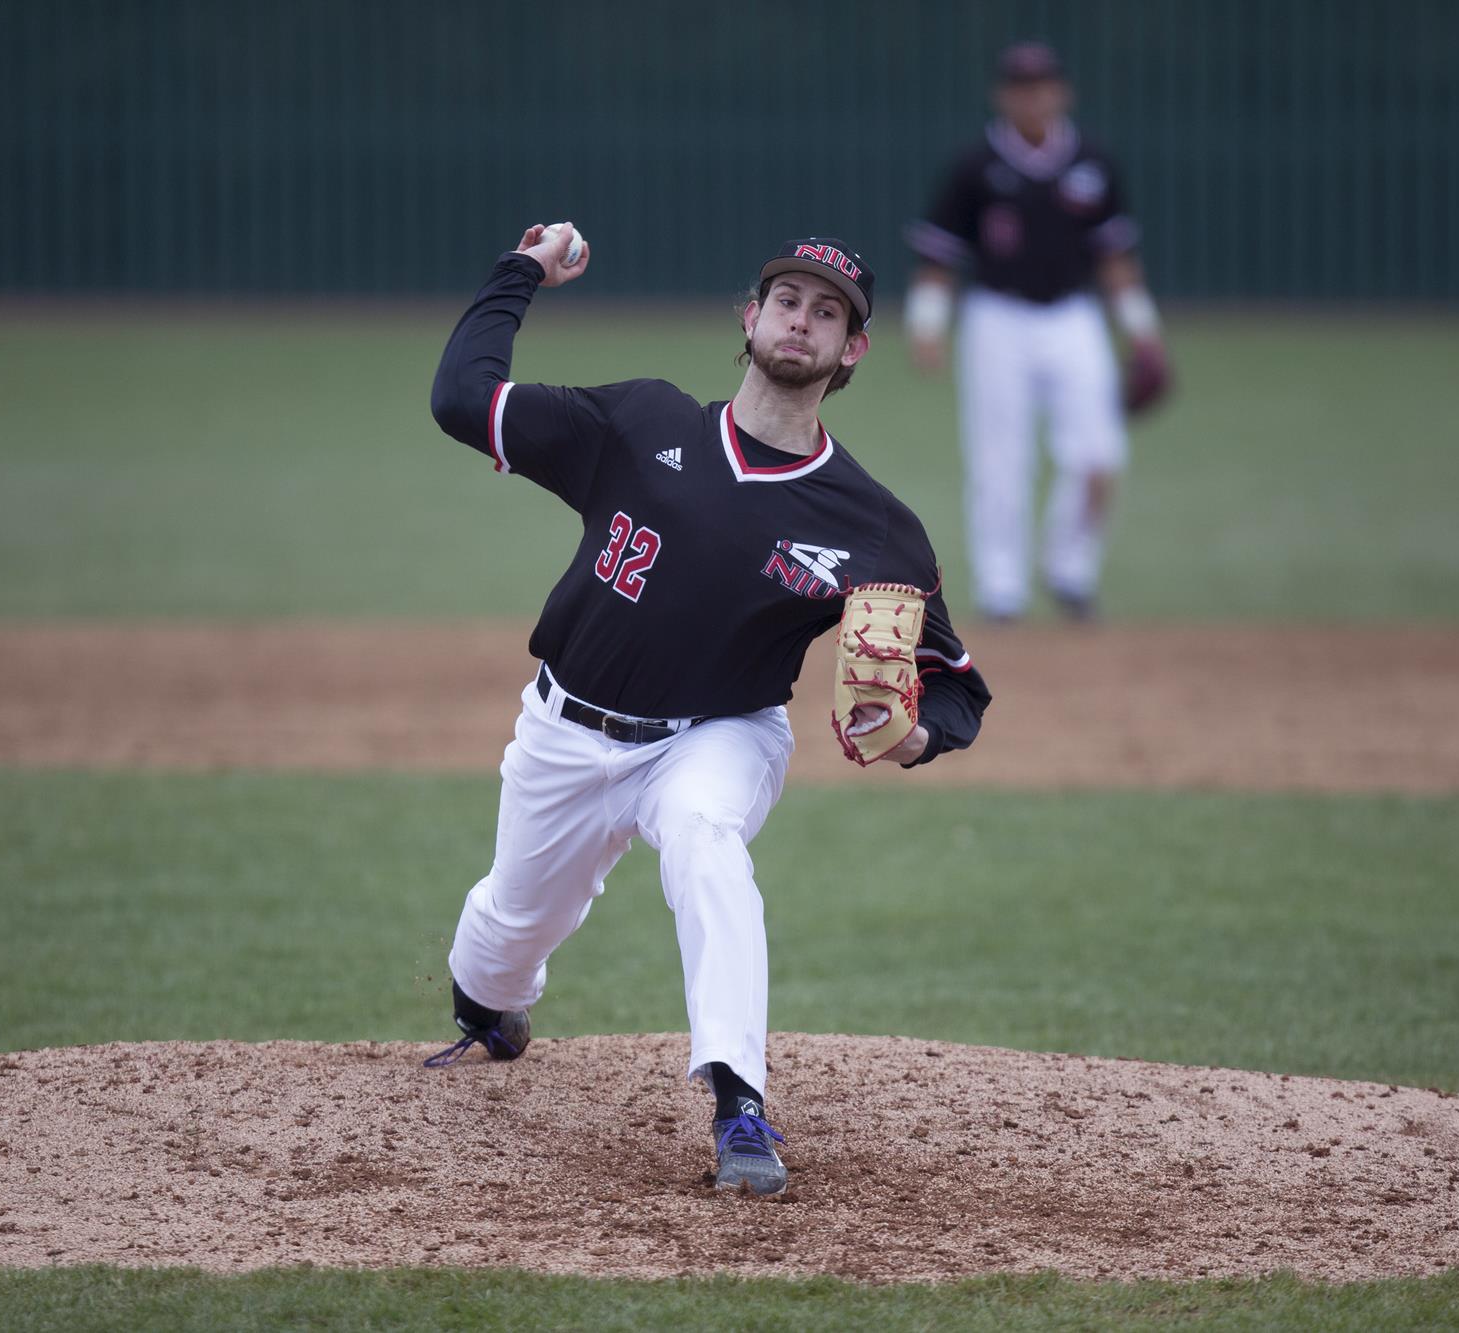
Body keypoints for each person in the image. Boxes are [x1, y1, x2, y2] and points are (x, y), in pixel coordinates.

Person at [424, 222, 992, 1195]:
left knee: (704, 837)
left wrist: (916, 734)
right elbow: (460, 400)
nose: (802, 321)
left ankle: (739, 1107)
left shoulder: (871, 526)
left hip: (718, 735)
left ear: (851, 349)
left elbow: (956, 682)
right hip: (562, 731)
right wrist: (519, 272)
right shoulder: (639, 424)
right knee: (505, 933)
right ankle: (490, 1007)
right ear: (751, 316)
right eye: (788, 301)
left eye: (829, 313)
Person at [905, 40, 1172, 623]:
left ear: (1063, 91)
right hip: (996, 318)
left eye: (1044, 83)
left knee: (1099, 453)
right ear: (1003, 95)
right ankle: (1003, 589)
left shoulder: (1092, 162)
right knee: (1000, 458)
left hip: (1073, 317)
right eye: (1022, 85)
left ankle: (1070, 571)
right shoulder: (975, 166)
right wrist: (928, 325)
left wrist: (1143, 333)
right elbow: (939, 257)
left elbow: (1116, 259)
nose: (1034, 95)